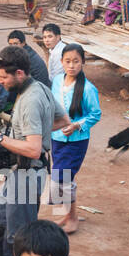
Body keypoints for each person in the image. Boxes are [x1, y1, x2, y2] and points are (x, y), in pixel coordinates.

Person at [0, 46, 70, 256]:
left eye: (4, 77)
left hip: (27, 174)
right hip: (20, 174)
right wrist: (35, 133)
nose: (0, 82)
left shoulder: (30, 99)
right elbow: (63, 120)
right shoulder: (40, 88)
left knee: (20, 235)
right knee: (0, 225)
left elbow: (34, 149)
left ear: (19, 73)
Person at [49, 44, 101, 234]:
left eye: (76, 61)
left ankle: (72, 217)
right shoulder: (56, 81)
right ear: (61, 62)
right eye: (67, 61)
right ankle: (71, 214)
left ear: (83, 62)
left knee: (62, 178)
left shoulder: (88, 89)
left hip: (76, 141)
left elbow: (95, 114)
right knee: (66, 178)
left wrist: (77, 125)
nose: (71, 65)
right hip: (56, 137)